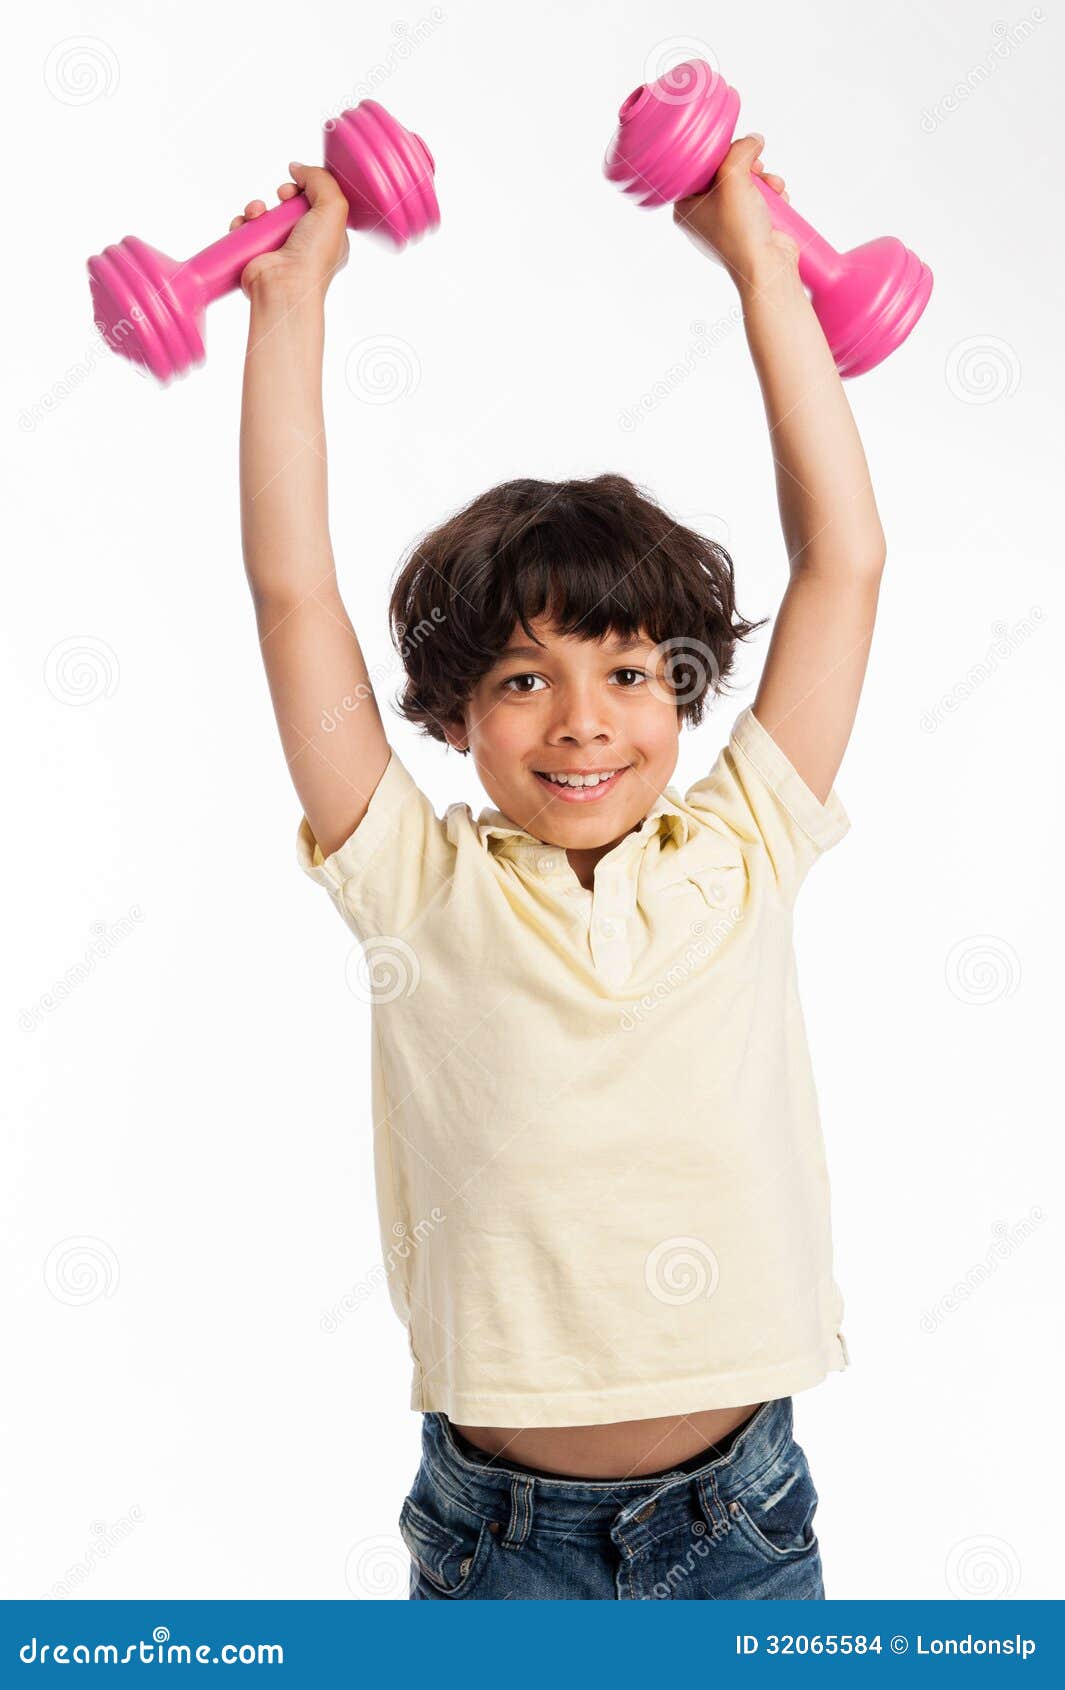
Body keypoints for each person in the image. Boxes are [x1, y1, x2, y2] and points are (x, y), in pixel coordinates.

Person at [232, 130, 885, 1600]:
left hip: (744, 1520)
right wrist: (292, 305)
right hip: (499, 1541)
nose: (585, 719)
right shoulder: (417, 880)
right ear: (454, 712)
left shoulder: (744, 841)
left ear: (686, 686)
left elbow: (841, 559)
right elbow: (292, 597)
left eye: (632, 672)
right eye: (524, 680)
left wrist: (761, 269)